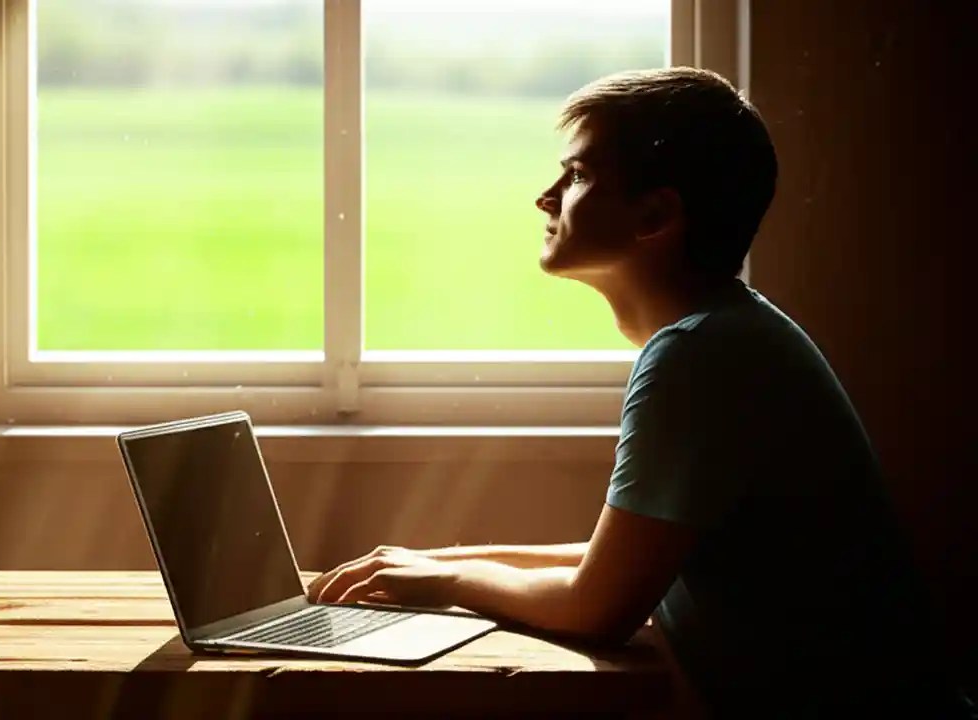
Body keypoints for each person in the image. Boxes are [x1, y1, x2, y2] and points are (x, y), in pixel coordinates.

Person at [307, 67, 973, 717]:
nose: (547, 197)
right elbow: (620, 565)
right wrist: (428, 562)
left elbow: (597, 606)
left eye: (578, 175)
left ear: (655, 215)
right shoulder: (726, 334)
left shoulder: (698, 354)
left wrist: (447, 581)